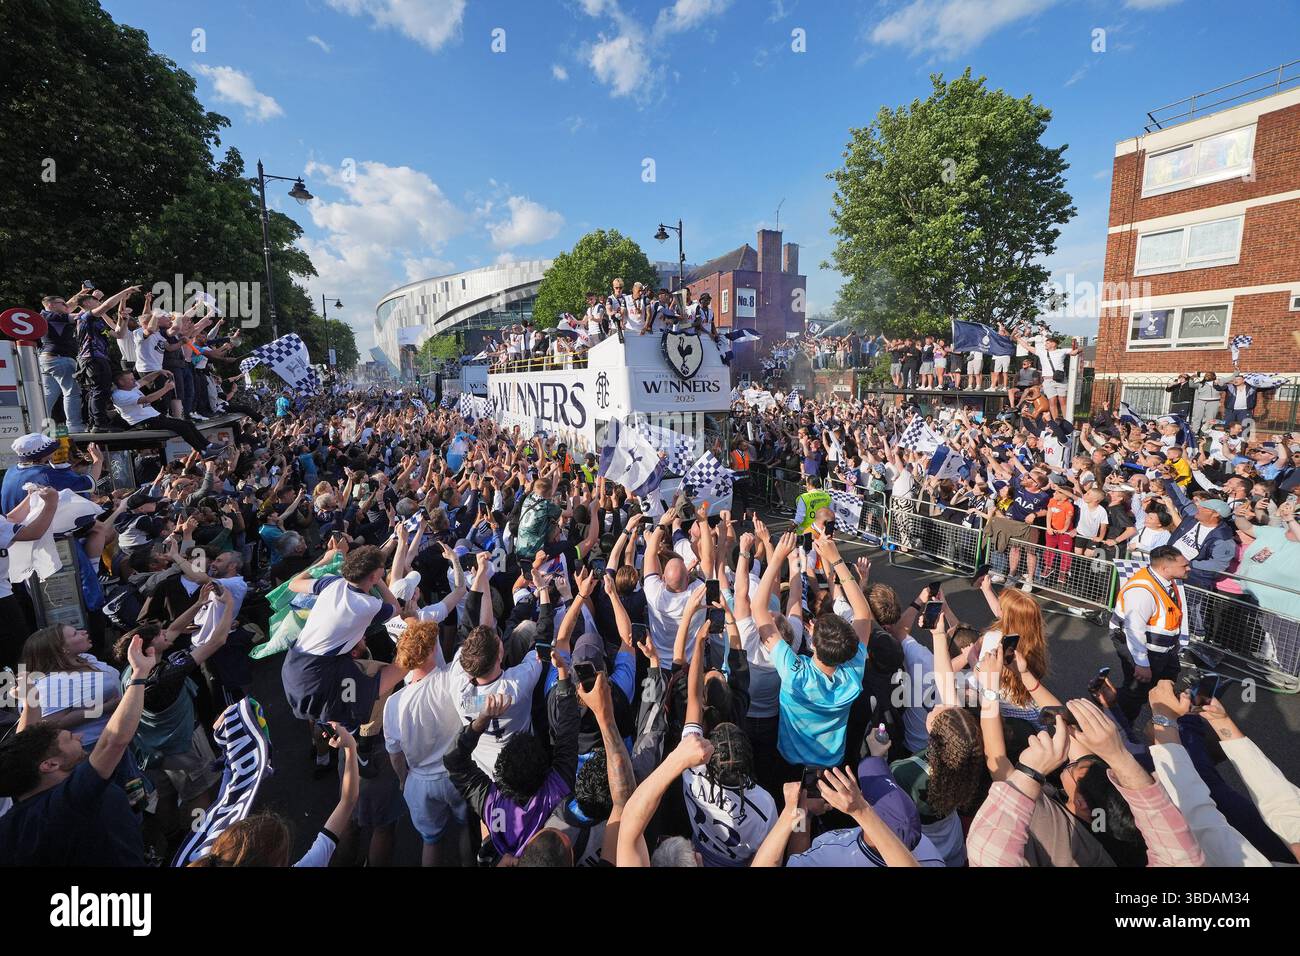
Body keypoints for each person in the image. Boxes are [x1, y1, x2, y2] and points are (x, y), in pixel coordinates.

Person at [0, 634, 157, 866]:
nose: (80, 736)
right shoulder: (67, 800)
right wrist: (138, 676)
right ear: (50, 764)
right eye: (69, 738)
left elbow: (25, 746)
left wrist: (30, 699)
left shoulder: (13, 820)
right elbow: (113, 741)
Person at [1109, 545, 1190, 722]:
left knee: (1166, 680)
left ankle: (1162, 719)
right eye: (1184, 566)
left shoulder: (1166, 580)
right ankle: (1121, 727)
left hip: (1163, 649)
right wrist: (1142, 663)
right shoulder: (1142, 591)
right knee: (1136, 692)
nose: (1188, 568)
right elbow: (1134, 629)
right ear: (1165, 568)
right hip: (1145, 649)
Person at [110, 369, 228, 457]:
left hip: (154, 417)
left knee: (188, 424)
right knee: (182, 427)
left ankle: (208, 446)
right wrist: (166, 389)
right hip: (143, 422)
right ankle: (203, 451)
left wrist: (159, 372)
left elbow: (145, 380)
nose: (133, 380)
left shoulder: (130, 387)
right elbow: (147, 399)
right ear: (121, 382)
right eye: (130, 379)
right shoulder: (120, 395)